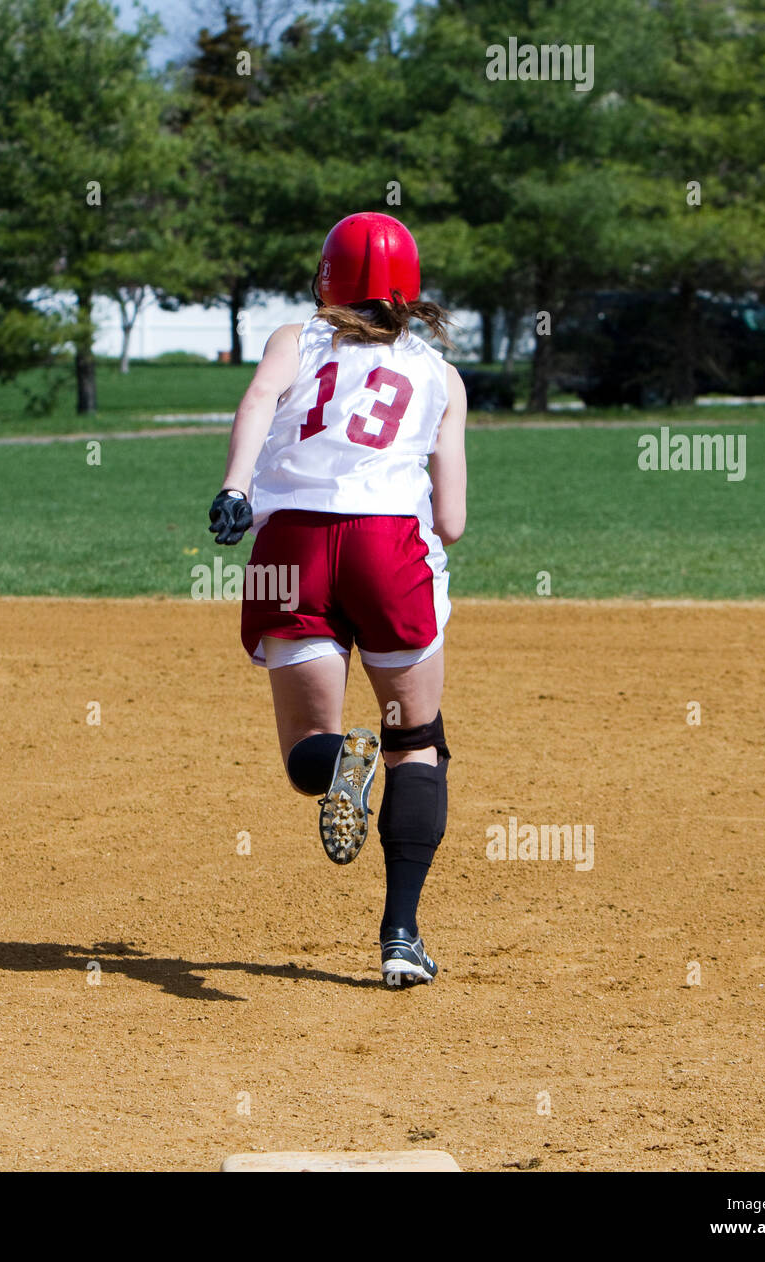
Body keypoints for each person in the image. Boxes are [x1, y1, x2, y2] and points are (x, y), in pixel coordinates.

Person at [208, 212, 467, 988]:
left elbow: (256, 402)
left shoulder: (295, 339)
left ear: (326, 278)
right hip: (389, 549)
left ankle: (342, 757)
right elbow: (450, 521)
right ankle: (399, 936)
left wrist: (235, 488)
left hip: (289, 545)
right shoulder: (441, 375)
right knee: (417, 740)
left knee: (306, 753)